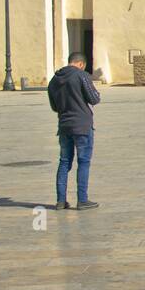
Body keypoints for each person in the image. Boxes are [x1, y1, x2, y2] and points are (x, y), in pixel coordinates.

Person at [47, 52, 100, 210]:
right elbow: (94, 98)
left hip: (64, 125)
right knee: (83, 162)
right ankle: (82, 199)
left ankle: (61, 200)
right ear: (81, 64)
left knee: (64, 162)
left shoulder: (54, 80)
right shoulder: (81, 76)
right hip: (82, 125)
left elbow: (54, 106)